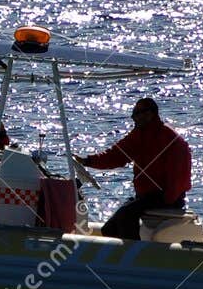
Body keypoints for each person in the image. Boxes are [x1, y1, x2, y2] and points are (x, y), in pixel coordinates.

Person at [77, 97, 191, 240]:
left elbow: (179, 173)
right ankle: (123, 255)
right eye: (133, 115)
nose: (134, 118)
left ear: (151, 114)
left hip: (166, 197)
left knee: (126, 216)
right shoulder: (139, 135)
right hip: (146, 196)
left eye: (138, 114)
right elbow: (115, 155)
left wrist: (168, 198)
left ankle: (135, 254)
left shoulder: (171, 139)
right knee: (109, 229)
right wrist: (88, 161)